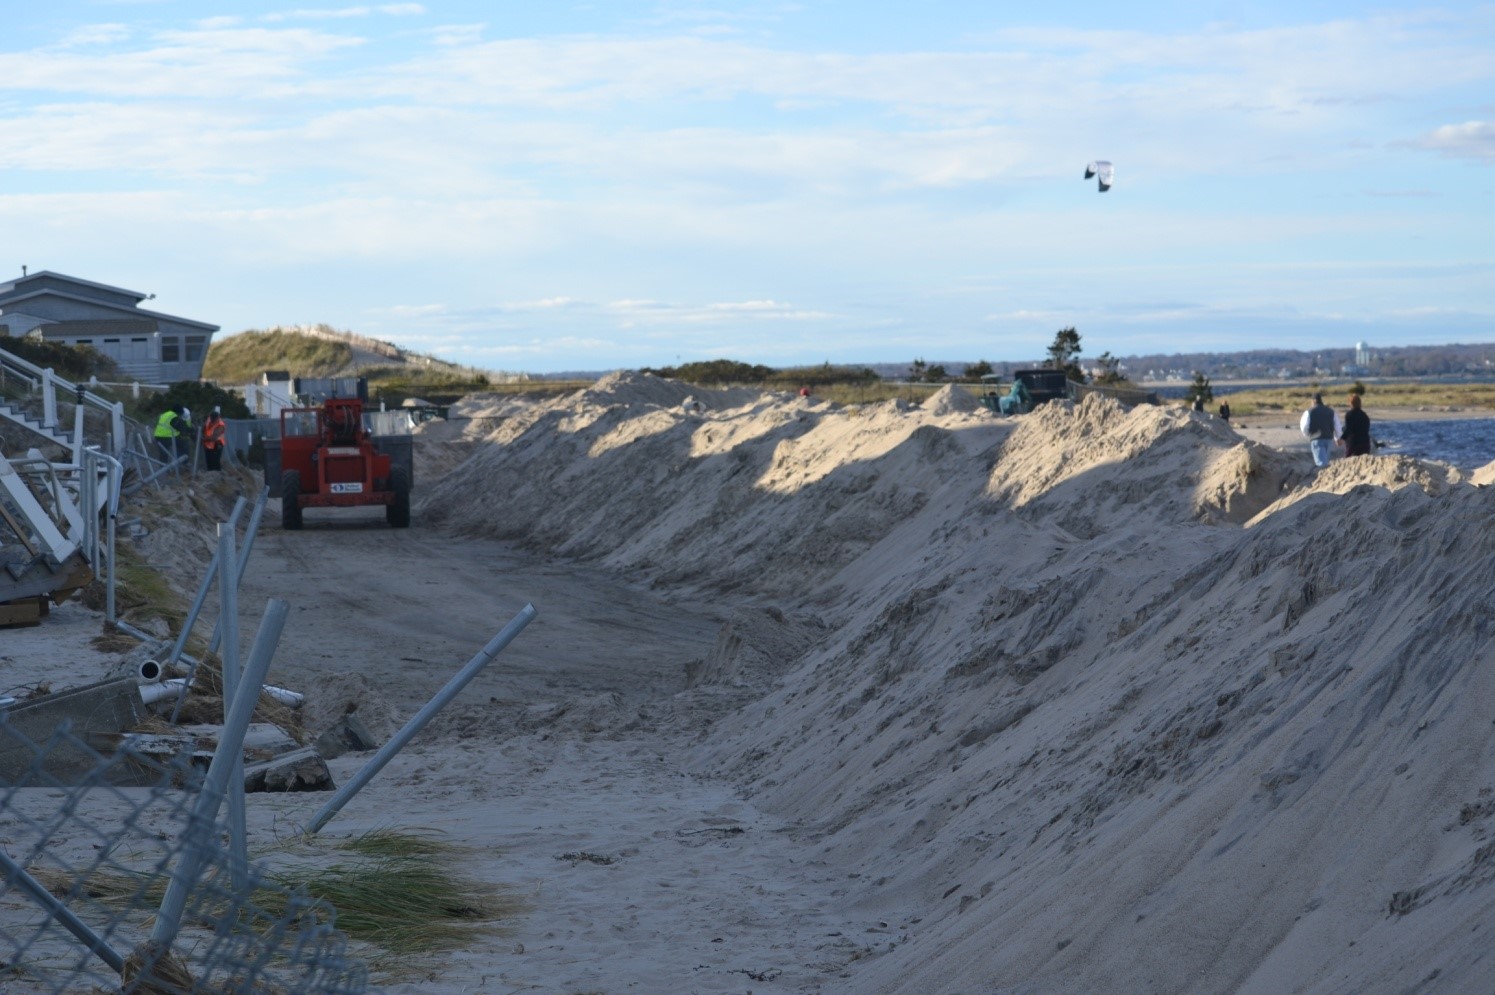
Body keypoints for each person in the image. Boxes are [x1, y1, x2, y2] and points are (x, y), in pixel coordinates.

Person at [1299, 393, 1336, 468]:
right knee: (1325, 460)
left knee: (1321, 463)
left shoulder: (1309, 411)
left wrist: (1307, 434)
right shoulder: (1330, 411)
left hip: (1316, 439)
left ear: (1313, 401)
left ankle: (1324, 477)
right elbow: (1337, 425)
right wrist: (1337, 437)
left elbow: (1304, 426)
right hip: (1329, 439)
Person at [201, 406, 226, 471]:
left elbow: (214, 437)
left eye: (213, 420)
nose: (212, 421)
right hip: (207, 445)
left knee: (215, 461)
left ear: (217, 418)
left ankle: (218, 475)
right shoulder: (208, 420)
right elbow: (203, 429)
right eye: (211, 419)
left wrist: (203, 439)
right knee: (209, 462)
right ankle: (210, 475)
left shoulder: (220, 425)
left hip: (217, 444)